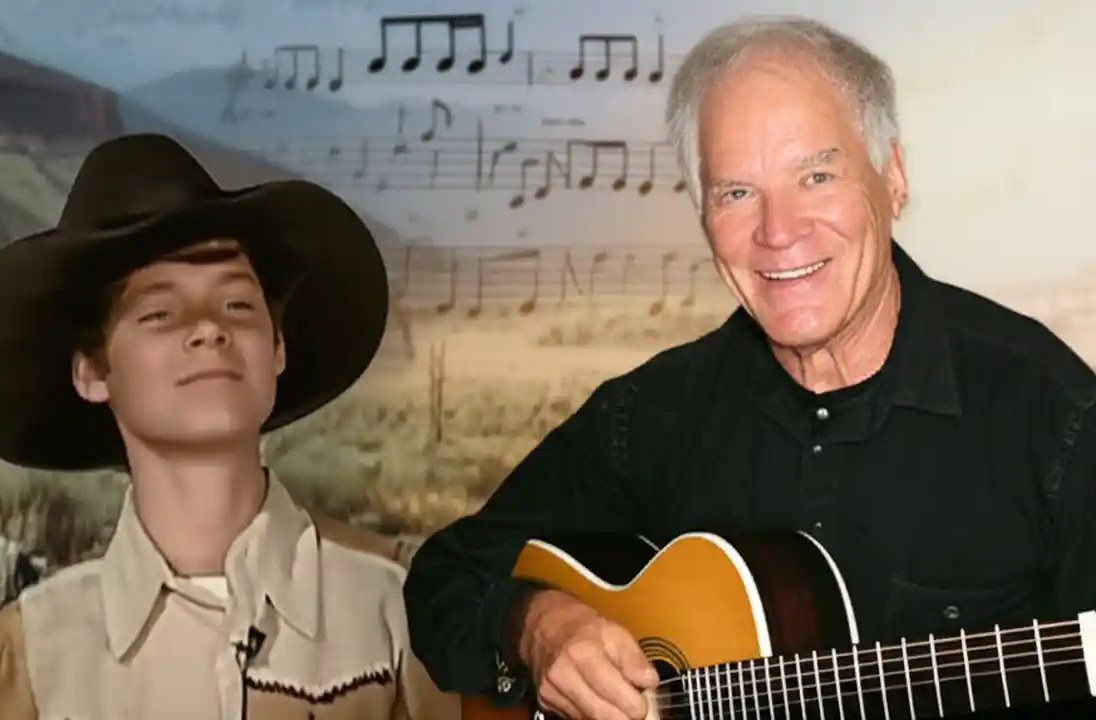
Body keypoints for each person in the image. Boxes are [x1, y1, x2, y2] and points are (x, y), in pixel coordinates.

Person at [403, 16, 1096, 720]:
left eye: (816, 175)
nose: (777, 231)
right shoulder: (649, 416)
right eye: (736, 192)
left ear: (893, 177)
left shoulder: (1054, 417)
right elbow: (445, 578)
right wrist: (537, 626)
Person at [0, 133, 458, 719]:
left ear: (278, 346)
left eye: (237, 305)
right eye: (160, 313)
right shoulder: (38, 649)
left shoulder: (396, 611)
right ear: (91, 371)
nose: (209, 330)